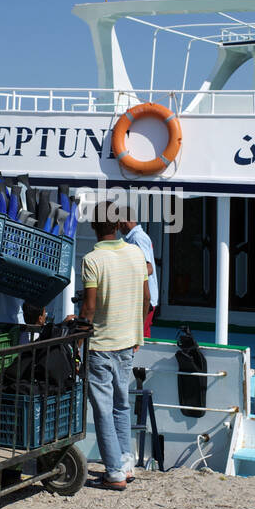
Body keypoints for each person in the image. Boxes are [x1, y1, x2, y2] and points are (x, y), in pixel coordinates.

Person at [80, 209, 150, 490]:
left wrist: (77, 333)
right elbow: (146, 298)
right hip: (127, 343)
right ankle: (126, 465)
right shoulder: (135, 254)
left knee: (103, 409)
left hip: (100, 345)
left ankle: (114, 473)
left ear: (96, 227)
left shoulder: (92, 260)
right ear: (119, 225)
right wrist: (136, 331)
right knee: (122, 406)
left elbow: (89, 308)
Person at [119, 220, 158, 338]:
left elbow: (148, 268)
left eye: (119, 223)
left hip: (144, 300)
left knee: (139, 339)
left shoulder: (137, 238)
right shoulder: (137, 237)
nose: (118, 227)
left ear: (125, 222)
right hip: (145, 298)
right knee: (143, 338)